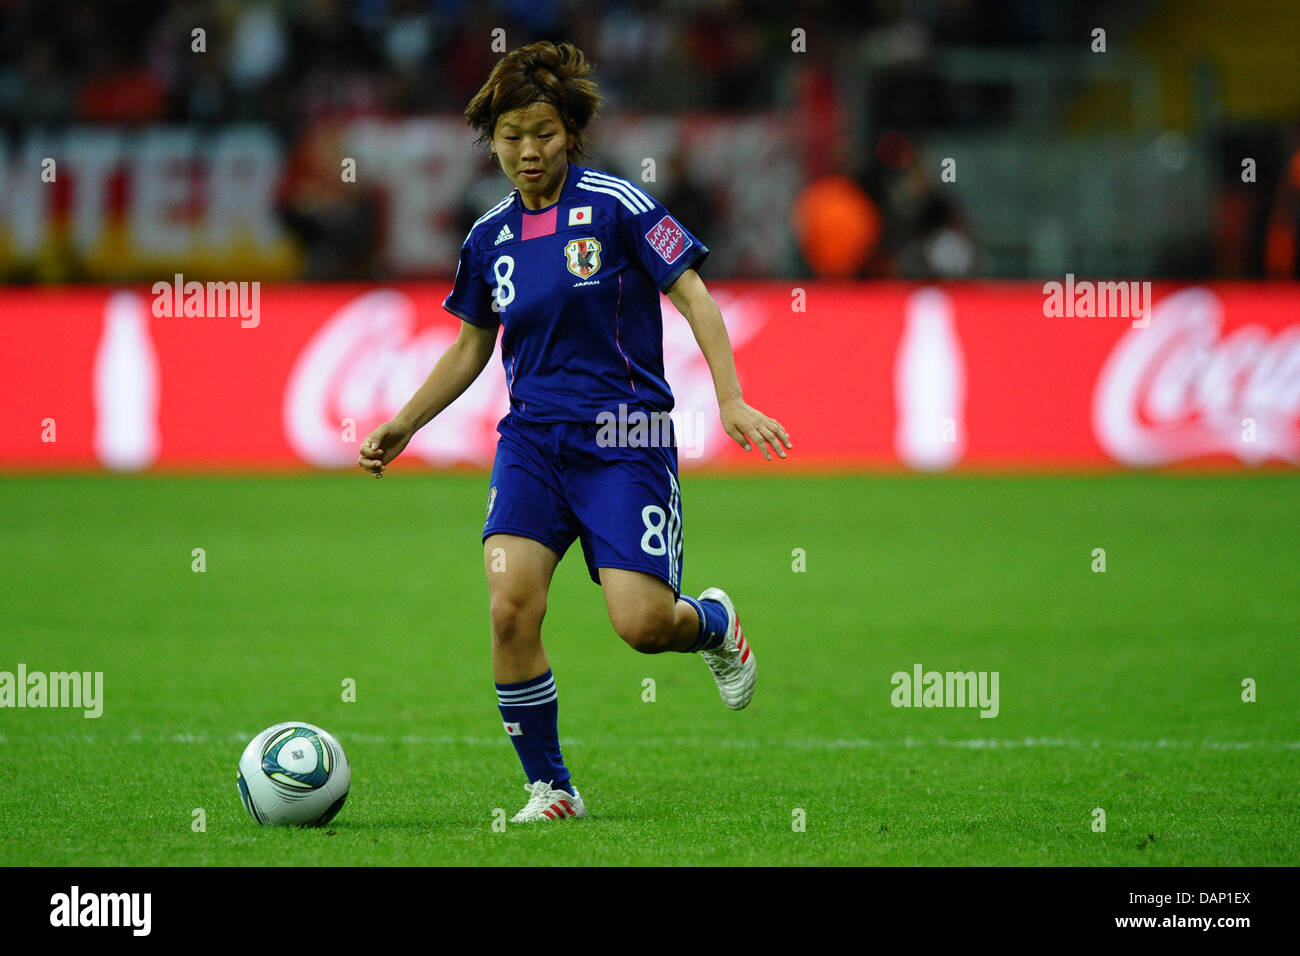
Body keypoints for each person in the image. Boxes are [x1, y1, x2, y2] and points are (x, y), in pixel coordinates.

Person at [357, 40, 791, 823]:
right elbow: (470, 345)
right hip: (531, 443)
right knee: (509, 608)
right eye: (512, 136)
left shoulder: (621, 206)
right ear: (490, 139)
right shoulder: (488, 237)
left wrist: (730, 399)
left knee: (642, 625)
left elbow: (695, 298)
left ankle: (715, 625)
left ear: (571, 133)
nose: (529, 151)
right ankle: (551, 787)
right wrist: (403, 423)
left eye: (544, 133)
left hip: (625, 438)